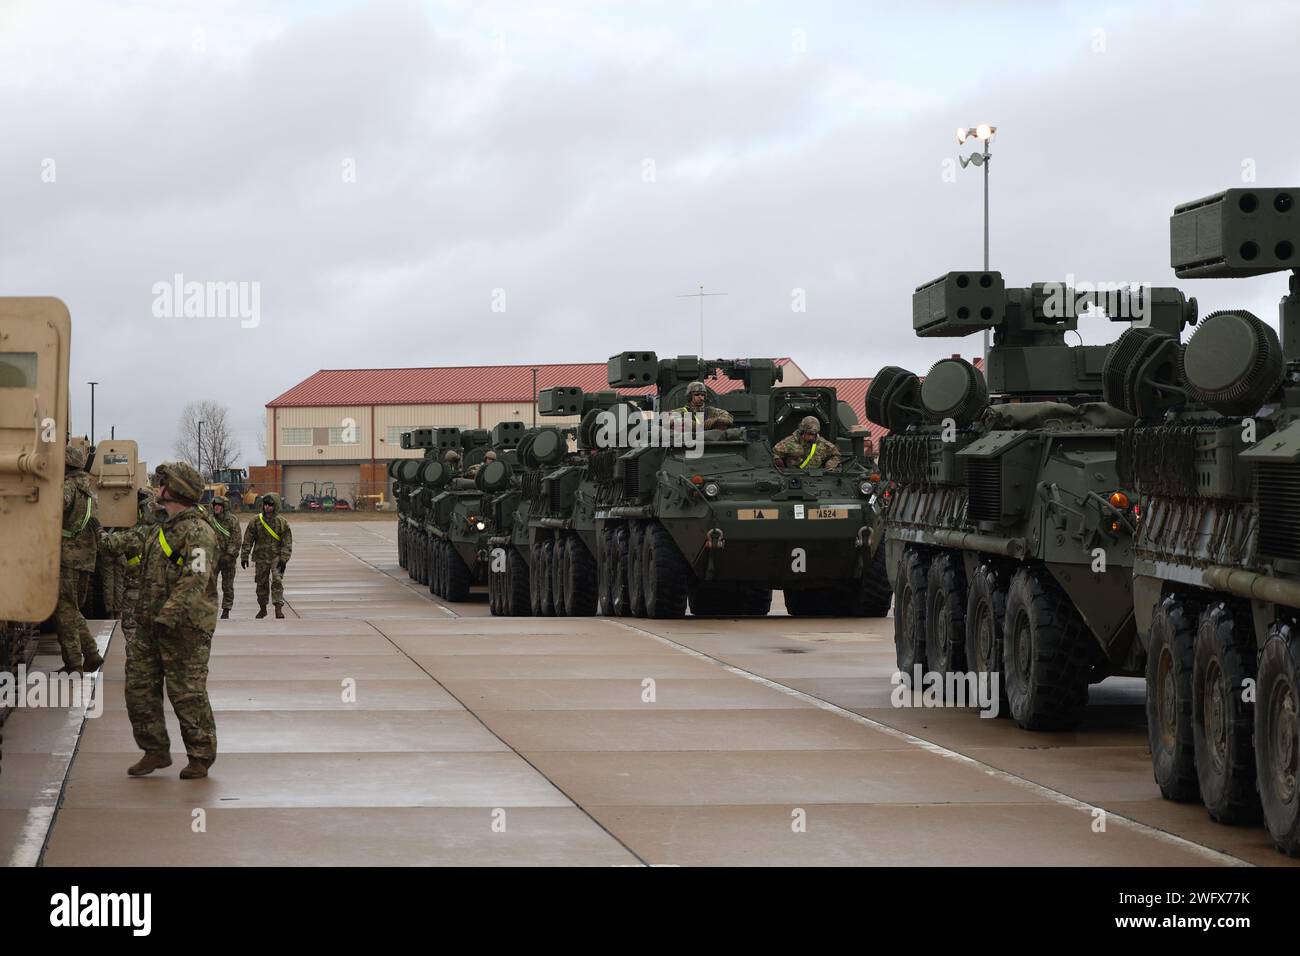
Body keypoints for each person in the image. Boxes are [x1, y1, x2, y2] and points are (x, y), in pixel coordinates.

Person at [125, 462, 218, 779]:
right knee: (139, 690)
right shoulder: (160, 527)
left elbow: (195, 579)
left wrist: (168, 616)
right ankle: (155, 751)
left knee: (187, 695)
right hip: (150, 626)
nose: (156, 486)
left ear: (175, 490)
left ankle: (199, 756)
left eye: (162, 482)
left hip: (185, 628)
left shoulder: (199, 533)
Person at [56, 442, 104, 673]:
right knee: (73, 608)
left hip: (68, 556)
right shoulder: (89, 489)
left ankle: (75, 663)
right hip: (86, 558)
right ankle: (90, 654)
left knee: (66, 609)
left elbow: (56, 507)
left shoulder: (68, 486)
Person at [100, 487, 162, 641]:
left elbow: (110, 543)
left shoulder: (139, 532)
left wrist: (98, 529)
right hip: (159, 592)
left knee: (133, 632)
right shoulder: (166, 530)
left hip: (136, 591)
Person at [240, 492, 292, 619]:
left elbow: (287, 542)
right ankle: (262, 608)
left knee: (277, 580)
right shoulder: (256, 521)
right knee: (261, 583)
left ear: (276, 506)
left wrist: (284, 559)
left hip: (276, 557)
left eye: (270, 504)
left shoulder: (282, 523)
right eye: (265, 504)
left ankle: (278, 608)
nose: (267, 507)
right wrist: (244, 556)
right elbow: (248, 539)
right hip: (261, 557)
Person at [209, 495, 241, 619]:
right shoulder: (209, 519)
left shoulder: (232, 520)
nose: (216, 507)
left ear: (224, 507)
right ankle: (211, 609)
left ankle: (226, 610)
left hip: (228, 559)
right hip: (213, 559)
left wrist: (229, 554)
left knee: (227, 586)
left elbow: (236, 539)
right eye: (215, 505)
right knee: (210, 586)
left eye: (219, 505)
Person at [773, 415, 842, 470]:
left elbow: (836, 455)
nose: (811, 437)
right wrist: (781, 467)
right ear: (802, 431)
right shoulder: (790, 442)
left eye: (813, 434)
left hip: (816, 476)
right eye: (809, 434)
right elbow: (775, 453)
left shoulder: (823, 444)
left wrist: (829, 466)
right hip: (793, 475)